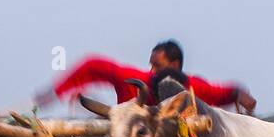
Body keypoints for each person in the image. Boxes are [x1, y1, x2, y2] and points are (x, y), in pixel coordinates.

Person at [35, 40, 257, 112]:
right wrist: (57, 91)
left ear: (176, 65)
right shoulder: (134, 79)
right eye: (151, 65)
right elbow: (93, 65)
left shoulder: (191, 87)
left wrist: (241, 95)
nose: (152, 71)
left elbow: (225, 92)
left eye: (157, 66)